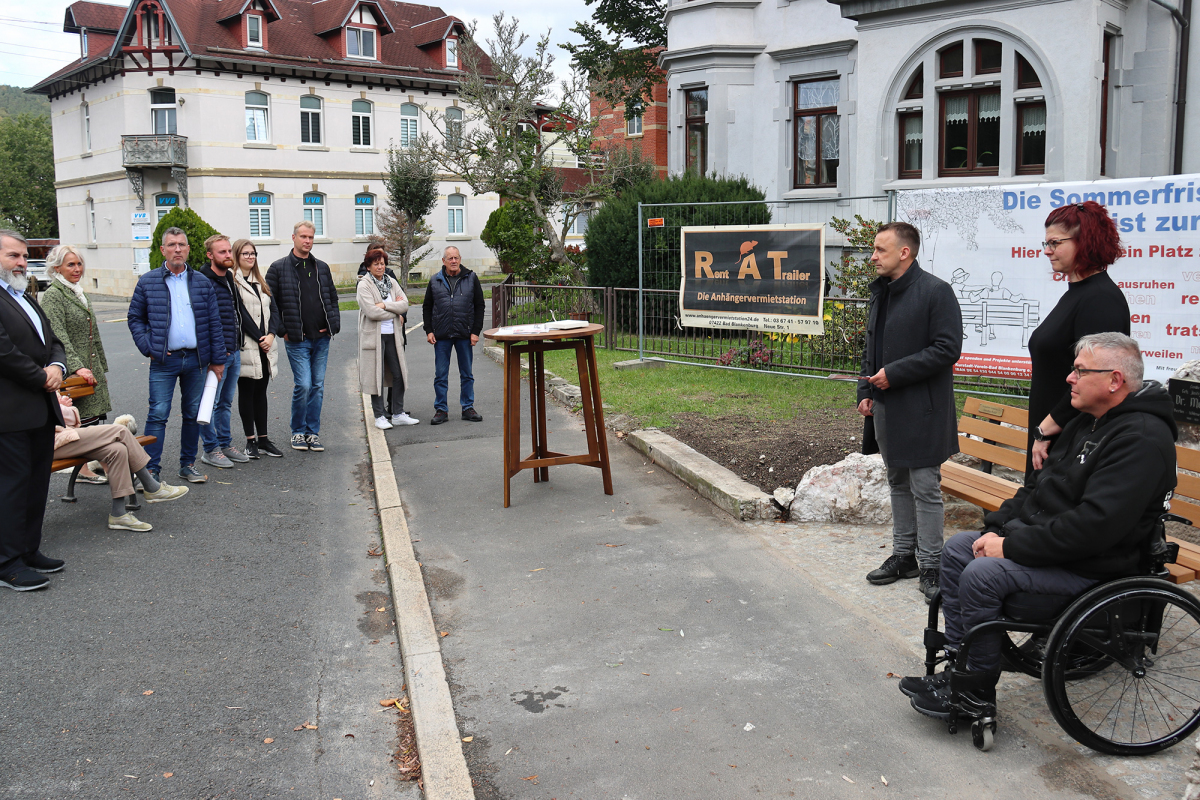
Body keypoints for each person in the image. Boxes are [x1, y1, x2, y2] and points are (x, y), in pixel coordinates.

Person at [901, 333, 1177, 717]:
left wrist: (1010, 547)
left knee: (983, 574)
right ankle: (959, 669)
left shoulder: (1141, 439)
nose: (1069, 378)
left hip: (1094, 569)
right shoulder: (1089, 423)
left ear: (1115, 381)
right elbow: (1036, 491)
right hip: (1060, 552)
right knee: (958, 549)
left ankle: (975, 692)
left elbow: (1094, 527)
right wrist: (996, 530)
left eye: (1080, 370)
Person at [858, 221, 963, 602]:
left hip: (923, 410)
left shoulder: (936, 291)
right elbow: (872, 345)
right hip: (885, 405)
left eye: (880, 250)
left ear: (905, 252)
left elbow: (947, 348)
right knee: (897, 481)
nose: (873, 257)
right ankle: (905, 557)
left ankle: (932, 564)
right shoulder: (881, 292)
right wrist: (866, 388)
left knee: (924, 488)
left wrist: (893, 375)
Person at [1025, 201, 1129, 480]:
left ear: (1085, 241)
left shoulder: (1100, 300)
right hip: (1053, 436)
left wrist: (1046, 428)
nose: (1047, 251)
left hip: (1068, 440)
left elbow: (1093, 379)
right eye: (1045, 243)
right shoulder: (1078, 293)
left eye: (1055, 243)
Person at [127, 226, 226, 484]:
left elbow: (214, 323)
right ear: (163, 249)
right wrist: (148, 346)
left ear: (189, 249)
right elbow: (135, 318)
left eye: (182, 244)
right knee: (158, 414)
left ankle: (187, 465)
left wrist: (217, 361)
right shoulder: (148, 281)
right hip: (164, 360)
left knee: (192, 414)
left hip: (196, 360)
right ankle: (150, 470)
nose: (177, 249)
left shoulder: (202, 283)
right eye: (172, 245)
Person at [0, 229, 68, 591]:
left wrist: (57, 368)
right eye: (13, 256)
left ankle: (28, 549)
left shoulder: (24, 295)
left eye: (24, 257)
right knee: (11, 487)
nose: (22, 263)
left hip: (41, 409)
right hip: (9, 412)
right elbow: (4, 352)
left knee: (36, 482)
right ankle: (6, 563)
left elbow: (52, 340)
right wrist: (42, 378)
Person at [54, 394, 189, 530]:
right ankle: (151, 486)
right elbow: (54, 414)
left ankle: (118, 514)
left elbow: (66, 415)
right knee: (120, 431)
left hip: (62, 435)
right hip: (48, 442)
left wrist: (62, 408)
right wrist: (62, 408)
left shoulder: (44, 376)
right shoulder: (38, 377)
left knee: (117, 449)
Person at [38, 244, 112, 484]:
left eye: (79, 263)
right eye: (71, 264)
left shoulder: (78, 291)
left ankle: (98, 465)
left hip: (90, 367)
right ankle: (83, 470)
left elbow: (94, 334)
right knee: (81, 421)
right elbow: (57, 336)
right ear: (57, 267)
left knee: (94, 419)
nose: (77, 269)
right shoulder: (54, 295)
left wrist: (101, 365)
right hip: (75, 370)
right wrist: (77, 366)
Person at [266, 221, 341, 452]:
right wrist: (282, 331)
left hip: (322, 338)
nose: (307, 241)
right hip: (297, 339)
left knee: (317, 386)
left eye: (310, 237)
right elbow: (270, 304)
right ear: (294, 237)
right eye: (303, 237)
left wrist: (333, 325)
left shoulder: (322, 267)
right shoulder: (278, 268)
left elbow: (333, 298)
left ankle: (312, 433)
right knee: (304, 384)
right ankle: (297, 431)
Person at [198, 234, 250, 469]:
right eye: (222, 252)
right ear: (210, 255)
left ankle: (225, 443)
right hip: (216, 356)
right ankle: (210, 449)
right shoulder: (202, 280)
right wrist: (214, 356)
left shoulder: (229, 276)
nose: (228, 255)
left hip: (234, 351)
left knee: (225, 403)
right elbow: (204, 322)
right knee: (209, 402)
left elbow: (235, 314)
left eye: (229, 251)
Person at [231, 238, 282, 459]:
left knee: (261, 393)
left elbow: (276, 311)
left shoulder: (261, 282)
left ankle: (263, 439)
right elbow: (240, 313)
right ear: (236, 256)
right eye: (245, 254)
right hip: (247, 346)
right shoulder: (232, 282)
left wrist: (271, 335)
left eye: (253, 254)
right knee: (247, 393)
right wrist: (260, 337)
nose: (250, 257)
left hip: (265, 346)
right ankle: (250, 441)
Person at [423, 246, 485, 424]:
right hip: (441, 336)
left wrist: (475, 332)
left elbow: (479, 305)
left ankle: (468, 408)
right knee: (440, 375)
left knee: (467, 374)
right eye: (450, 258)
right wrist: (429, 330)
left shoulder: (471, 278)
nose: (453, 261)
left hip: (464, 334)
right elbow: (427, 307)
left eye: (456, 257)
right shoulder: (435, 280)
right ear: (443, 261)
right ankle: (441, 409)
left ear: (460, 258)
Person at [358, 248, 418, 429]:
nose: (380, 267)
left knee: (399, 373)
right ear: (368, 267)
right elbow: (371, 312)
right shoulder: (364, 285)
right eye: (376, 264)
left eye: (382, 263)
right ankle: (379, 416)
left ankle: (398, 413)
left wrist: (385, 304)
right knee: (376, 375)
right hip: (374, 338)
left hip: (393, 335)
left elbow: (405, 304)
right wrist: (394, 311)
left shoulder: (391, 282)